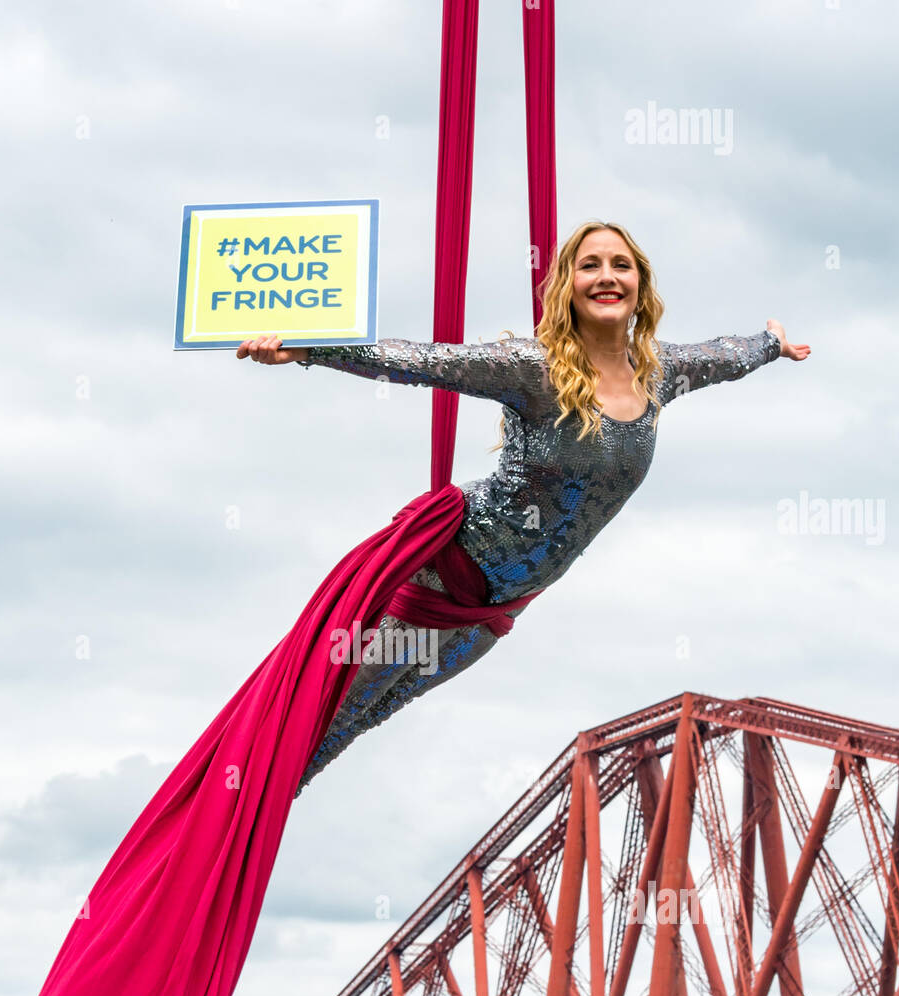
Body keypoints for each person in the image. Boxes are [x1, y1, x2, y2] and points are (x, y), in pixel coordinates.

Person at [237, 220, 810, 791]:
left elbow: (725, 355)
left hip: (493, 614)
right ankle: (213, 834)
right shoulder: (532, 369)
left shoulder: (660, 373)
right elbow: (424, 361)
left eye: (620, 265)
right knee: (316, 734)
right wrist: (310, 348)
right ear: (566, 285)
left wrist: (770, 345)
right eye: (590, 265)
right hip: (440, 581)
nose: (606, 276)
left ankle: (228, 853)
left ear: (641, 284)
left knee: (360, 726)